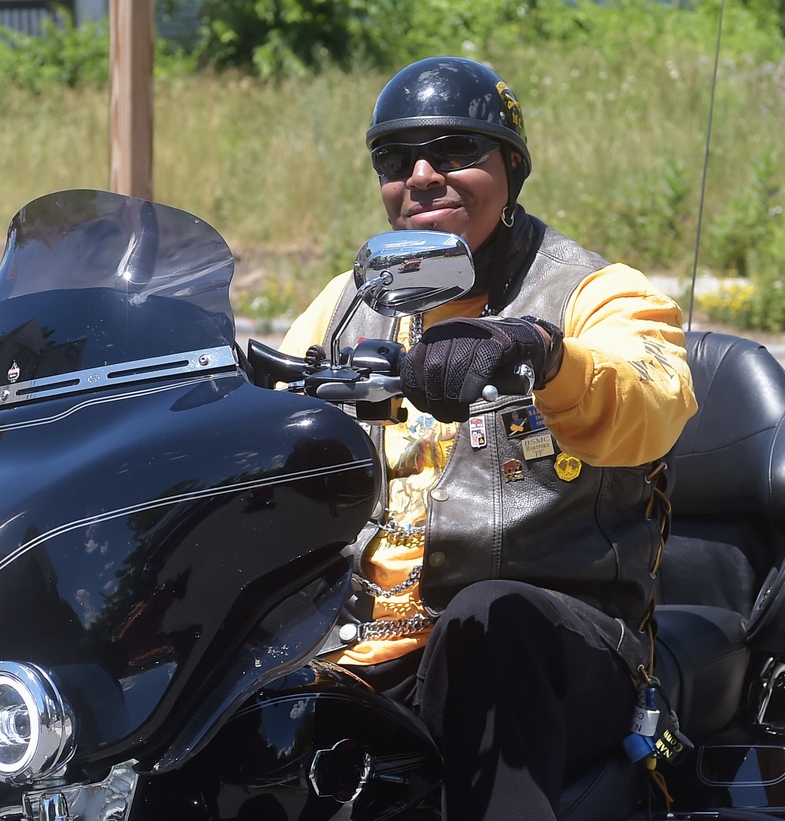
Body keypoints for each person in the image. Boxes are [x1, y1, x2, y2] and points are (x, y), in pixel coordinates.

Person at [279, 57, 698, 821]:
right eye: (396, 158)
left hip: (555, 644)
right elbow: (259, 422)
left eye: (456, 150)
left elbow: (656, 396)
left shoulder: (592, 293)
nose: (424, 174)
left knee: (486, 617)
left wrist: (544, 353)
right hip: (360, 647)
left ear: (511, 167)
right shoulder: (348, 304)